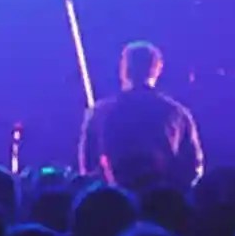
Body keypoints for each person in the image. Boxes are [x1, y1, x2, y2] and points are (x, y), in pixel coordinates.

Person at [78, 41, 204, 191]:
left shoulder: (101, 112)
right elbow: (193, 166)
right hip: (162, 206)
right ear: (157, 69)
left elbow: (88, 167)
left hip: (115, 207)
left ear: (123, 69)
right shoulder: (177, 114)